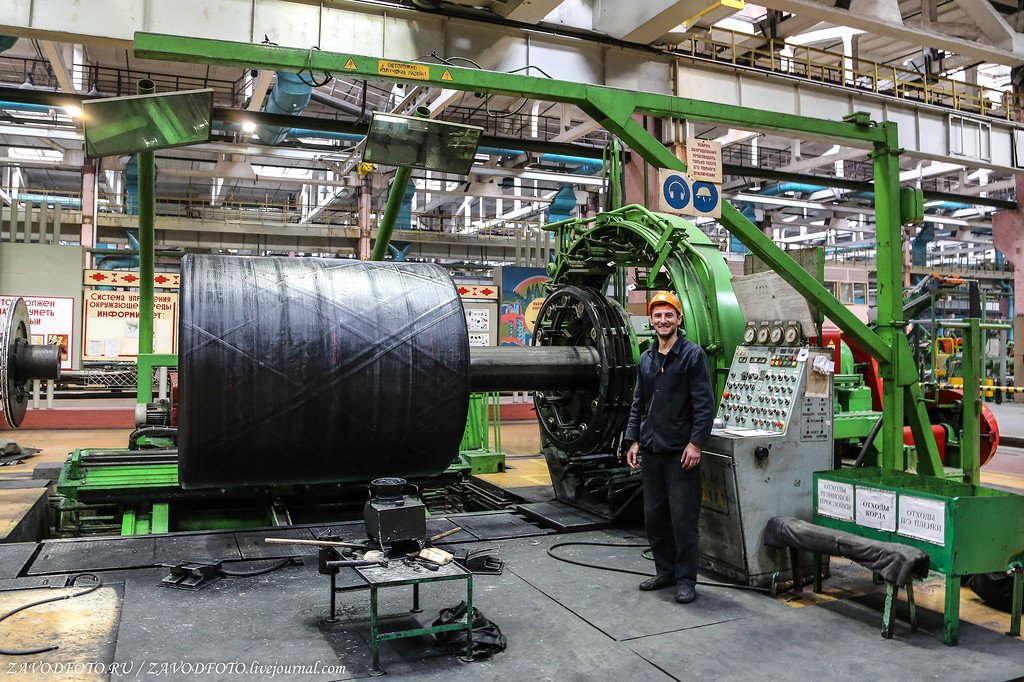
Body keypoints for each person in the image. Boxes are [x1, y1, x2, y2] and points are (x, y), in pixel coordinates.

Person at [625, 291, 715, 604]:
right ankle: (665, 572)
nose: (663, 321)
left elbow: (704, 404)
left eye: (669, 315)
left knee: (683, 519)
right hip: (651, 450)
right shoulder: (647, 358)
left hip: (680, 453)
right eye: (658, 316)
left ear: (679, 319)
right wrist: (633, 439)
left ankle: (686, 580)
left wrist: (696, 442)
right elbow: (639, 401)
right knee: (655, 517)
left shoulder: (693, 356)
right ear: (651, 320)